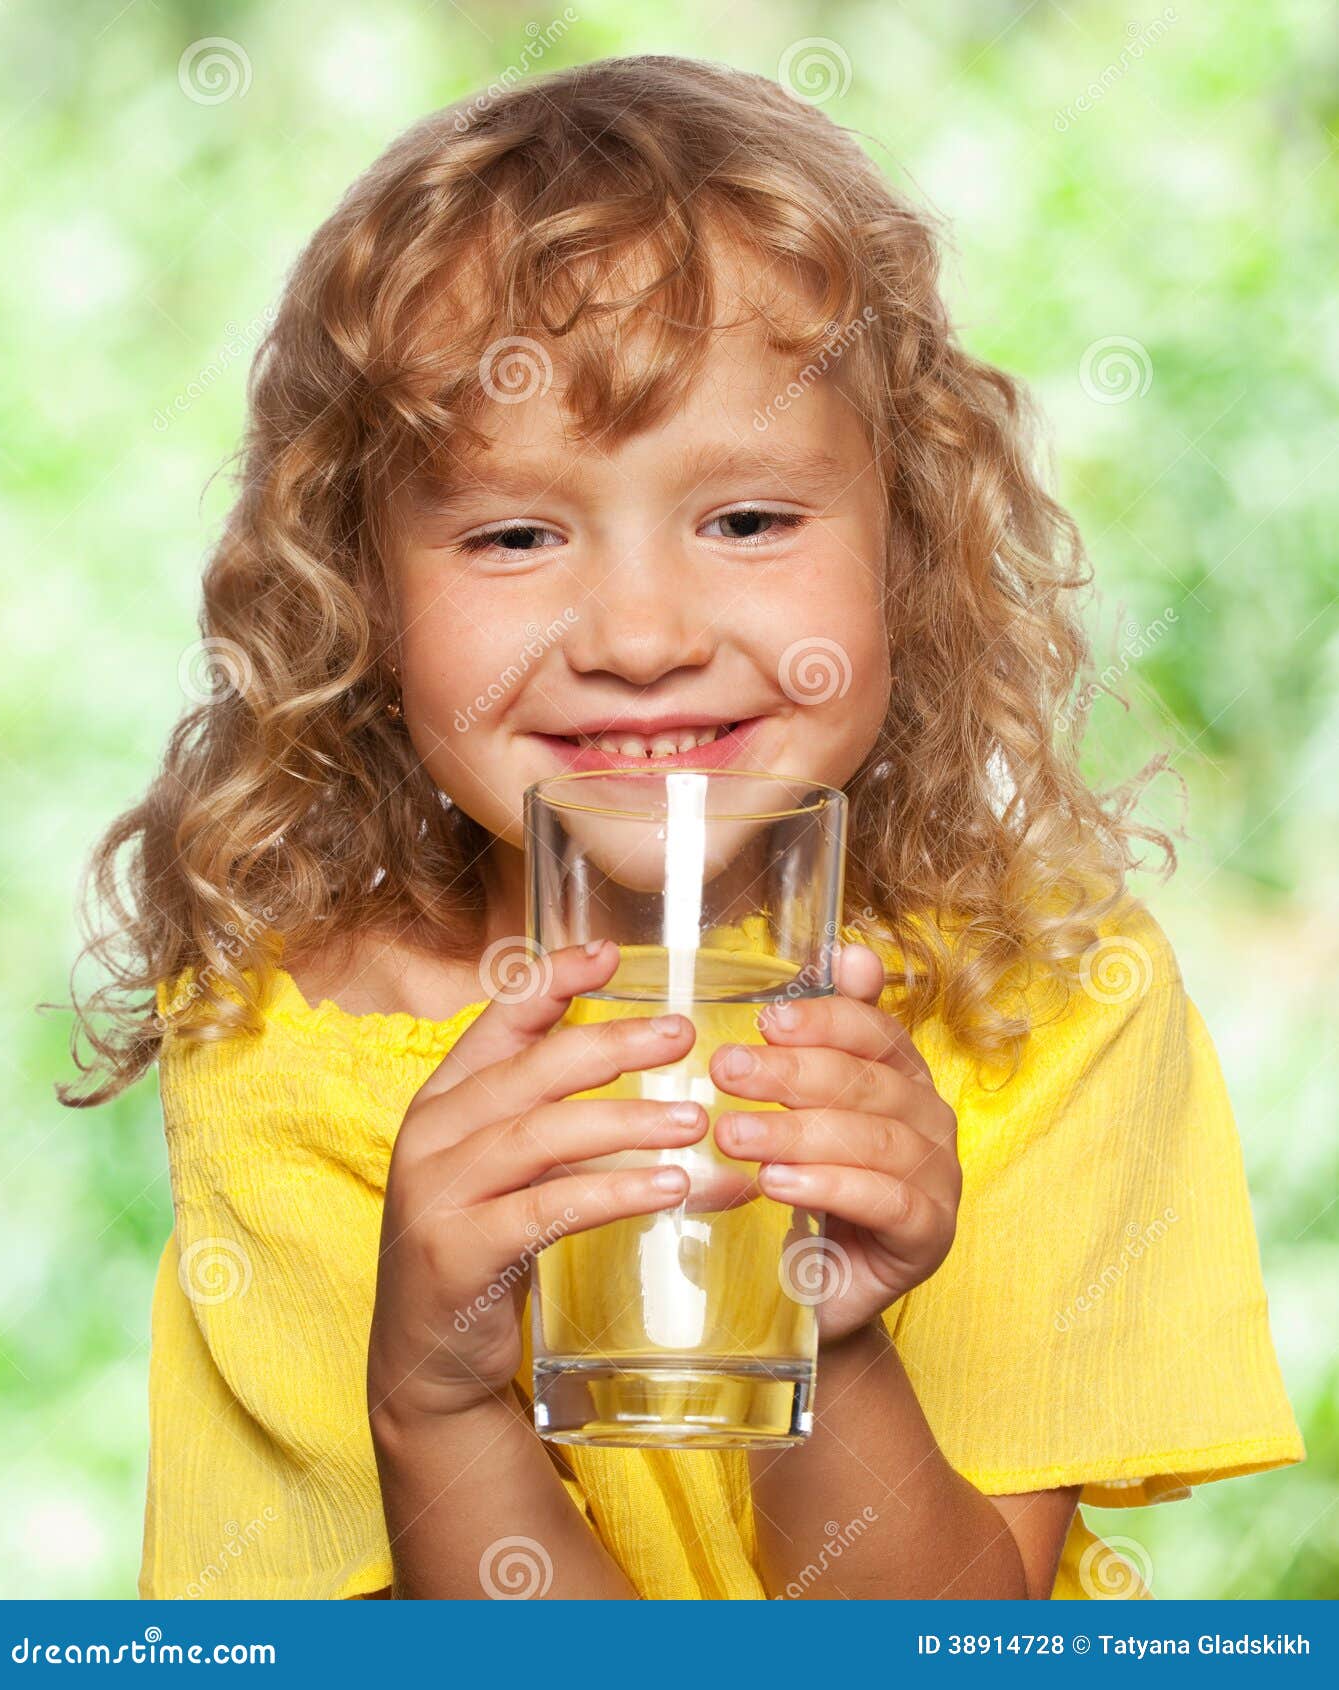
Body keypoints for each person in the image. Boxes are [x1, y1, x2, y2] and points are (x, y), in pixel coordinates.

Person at [64, 55, 1301, 1600]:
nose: (640, 633)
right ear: (362, 596)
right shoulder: (286, 1052)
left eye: (748, 520)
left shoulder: (1047, 1009)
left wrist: (824, 1335)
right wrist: (434, 1403)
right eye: (514, 533)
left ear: (904, 547)